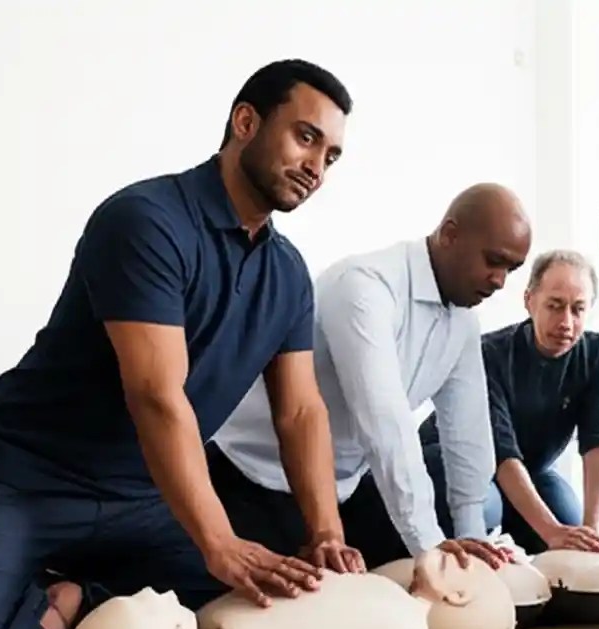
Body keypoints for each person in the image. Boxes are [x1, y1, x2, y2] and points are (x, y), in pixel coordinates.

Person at [0, 59, 355, 629]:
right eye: (306, 137)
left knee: (267, 620)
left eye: (332, 155)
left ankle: (83, 596)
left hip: (142, 502)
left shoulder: (287, 273)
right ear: (246, 122)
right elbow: (155, 394)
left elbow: (301, 411)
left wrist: (326, 534)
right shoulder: (144, 220)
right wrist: (217, 542)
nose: (318, 165)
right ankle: (53, 612)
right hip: (24, 480)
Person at [207, 183, 532, 573]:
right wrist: (429, 548)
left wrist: (474, 542)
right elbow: (384, 426)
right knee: (302, 601)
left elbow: (468, 434)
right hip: (253, 478)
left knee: (477, 505)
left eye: (510, 270)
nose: (499, 280)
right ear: (449, 234)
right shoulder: (363, 285)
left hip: (349, 490)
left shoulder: (463, 323)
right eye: (493, 261)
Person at [418, 249, 599, 556]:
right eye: (554, 306)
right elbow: (502, 454)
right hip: (459, 464)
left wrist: (590, 532)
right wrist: (550, 532)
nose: (566, 322)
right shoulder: (489, 354)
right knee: (490, 509)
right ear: (529, 301)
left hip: (532, 469)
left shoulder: (598, 354)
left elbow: (598, 442)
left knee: (571, 527)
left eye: (578, 310)